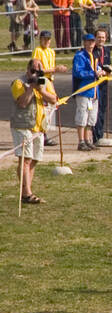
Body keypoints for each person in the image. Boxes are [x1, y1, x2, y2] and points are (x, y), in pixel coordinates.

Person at [10, 58, 57, 204]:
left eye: (39, 71)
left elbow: (54, 99)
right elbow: (22, 103)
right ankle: (26, 193)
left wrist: (41, 90)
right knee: (25, 159)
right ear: (27, 70)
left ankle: (26, 189)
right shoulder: (18, 82)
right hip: (22, 126)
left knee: (35, 159)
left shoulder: (45, 82)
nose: (36, 74)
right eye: (33, 71)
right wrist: (31, 88)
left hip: (39, 127)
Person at [70, 33, 104, 152]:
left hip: (94, 91)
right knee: (82, 116)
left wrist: (103, 71)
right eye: (88, 42)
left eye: (92, 42)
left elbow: (98, 68)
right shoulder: (80, 56)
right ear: (84, 43)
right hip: (84, 90)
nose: (90, 44)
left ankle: (88, 139)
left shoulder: (94, 56)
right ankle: (81, 141)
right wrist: (93, 74)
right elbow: (78, 72)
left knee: (91, 117)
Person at [89, 27, 112, 146]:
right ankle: (95, 136)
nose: (101, 39)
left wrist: (109, 70)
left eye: (103, 37)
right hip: (95, 84)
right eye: (99, 37)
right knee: (95, 110)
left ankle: (100, 134)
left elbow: (108, 64)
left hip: (104, 84)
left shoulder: (106, 50)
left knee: (103, 108)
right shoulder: (92, 51)